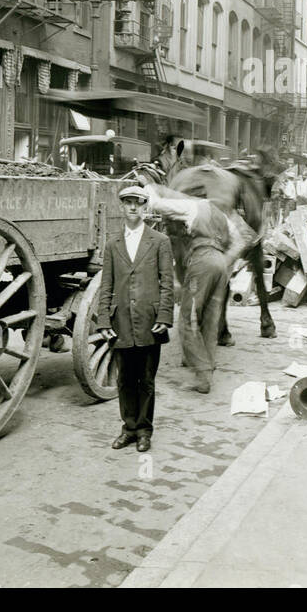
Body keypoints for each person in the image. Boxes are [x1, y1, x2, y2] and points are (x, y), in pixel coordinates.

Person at [143, 182, 257, 394]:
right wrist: (223, 259)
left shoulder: (193, 207)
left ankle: (203, 375)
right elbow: (243, 240)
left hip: (202, 261)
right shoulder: (222, 216)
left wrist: (148, 186)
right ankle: (208, 367)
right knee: (210, 321)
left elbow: (157, 205)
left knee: (187, 319)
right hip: (221, 265)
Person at [94, 185, 175, 452]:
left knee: (146, 379)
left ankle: (144, 431)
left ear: (145, 208)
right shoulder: (112, 244)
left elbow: (167, 283)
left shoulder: (159, 241)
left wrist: (164, 315)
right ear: (121, 207)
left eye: (138, 203)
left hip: (150, 321)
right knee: (124, 379)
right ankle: (128, 428)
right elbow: (106, 286)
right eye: (128, 203)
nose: (132, 207)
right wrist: (104, 321)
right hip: (121, 324)